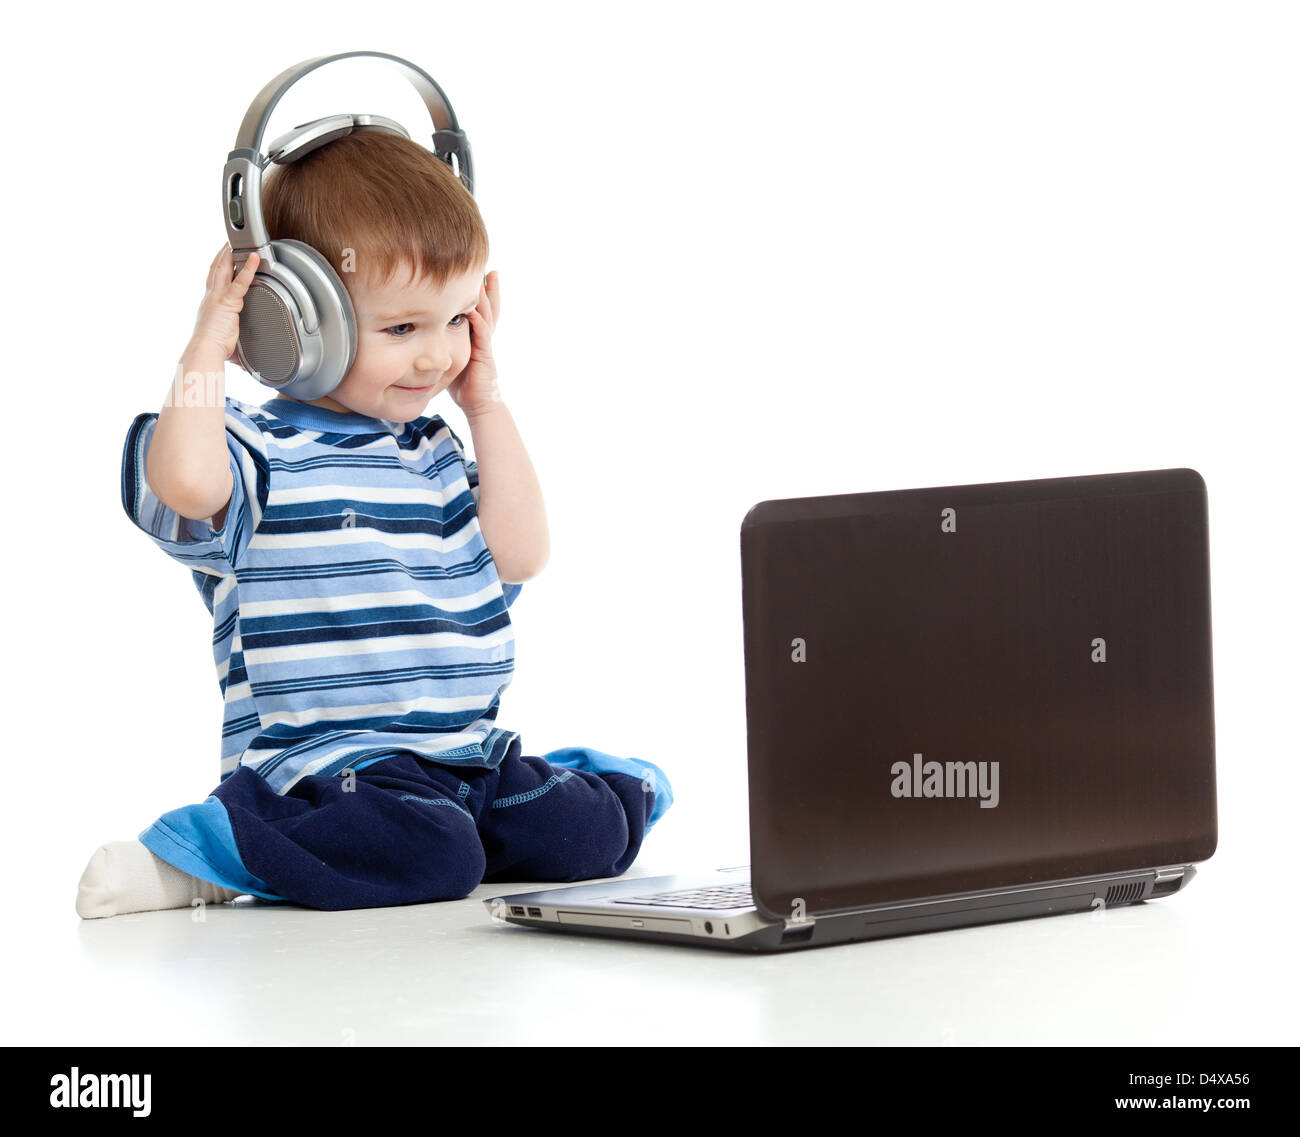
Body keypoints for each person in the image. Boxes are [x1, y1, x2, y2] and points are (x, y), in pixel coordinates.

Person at [77, 128, 671, 918]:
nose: (436, 359)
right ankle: (217, 851)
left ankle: (554, 794)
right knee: (436, 851)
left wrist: (485, 402)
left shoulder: (432, 449)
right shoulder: (259, 453)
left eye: (458, 318)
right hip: (332, 768)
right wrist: (210, 347)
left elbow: (522, 555)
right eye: (402, 329)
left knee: (582, 835)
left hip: (464, 757)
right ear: (291, 323)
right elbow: (186, 484)